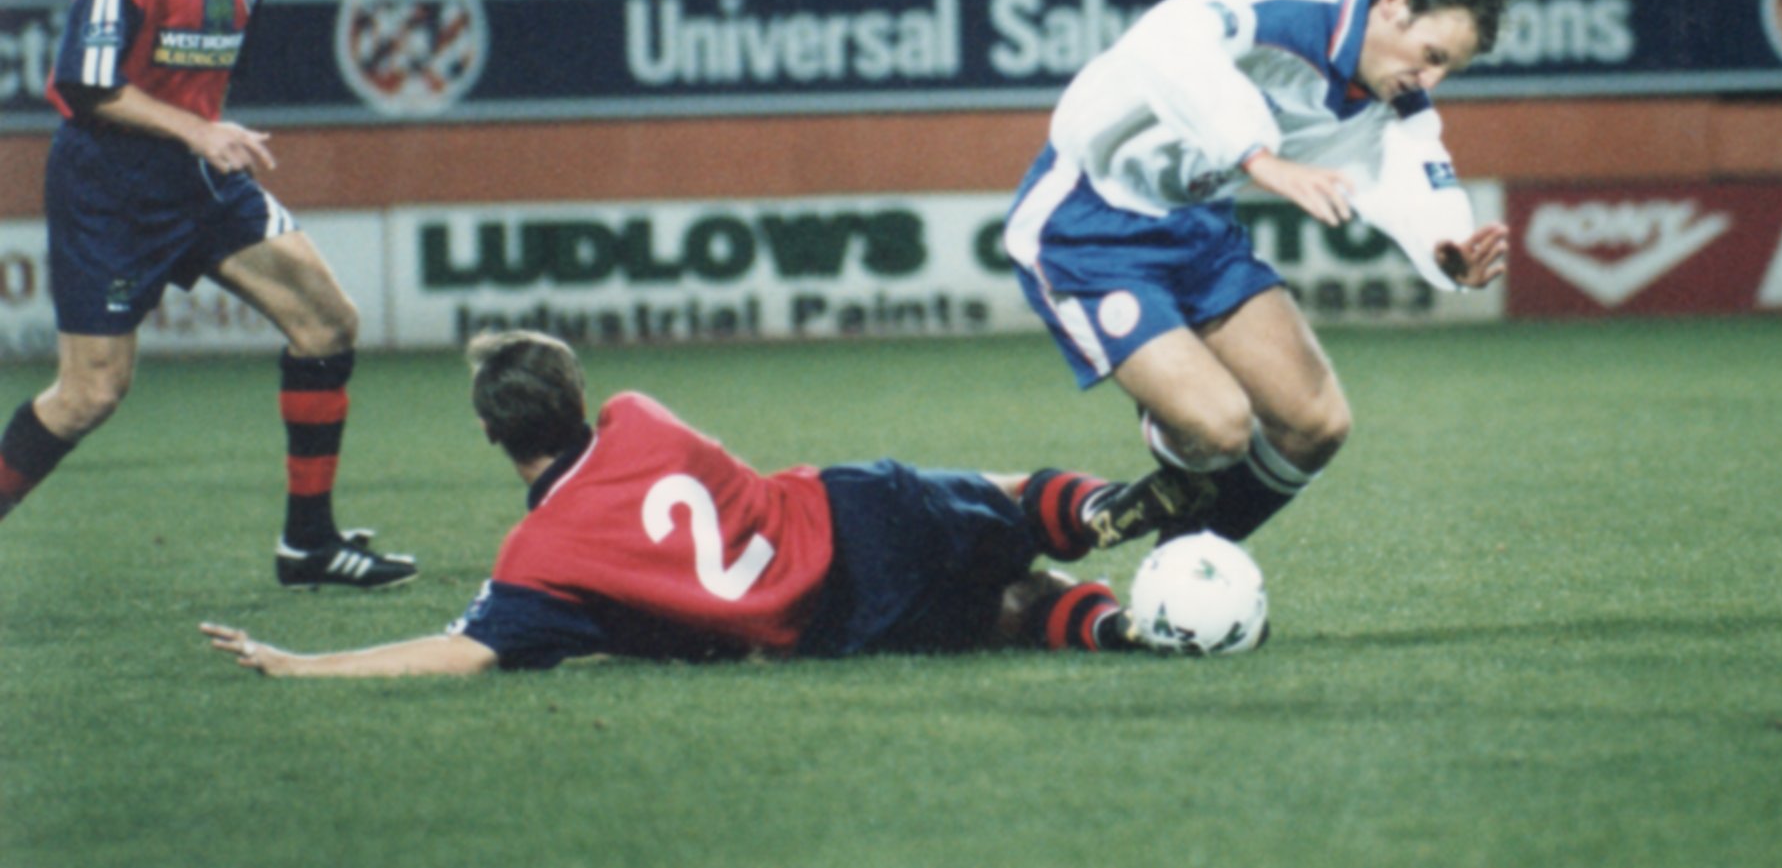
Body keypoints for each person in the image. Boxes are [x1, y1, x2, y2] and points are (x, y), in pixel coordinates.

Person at [0, 0, 415, 587]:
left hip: (197, 178)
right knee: (90, 393)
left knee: (328, 321)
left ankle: (308, 543)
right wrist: (197, 128)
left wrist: (201, 137)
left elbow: (195, 76)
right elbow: (85, 84)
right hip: (109, 187)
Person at [200, 331, 1157, 675]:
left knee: (1012, 613)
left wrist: (306, 665)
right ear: (578, 398)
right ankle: (1118, 501)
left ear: (494, 438)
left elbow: (461, 652)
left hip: (829, 621)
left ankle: (1111, 629)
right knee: (1014, 500)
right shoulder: (638, 415)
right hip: (854, 511)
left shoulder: (537, 559)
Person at [1002, 0, 1512, 553]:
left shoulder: (1394, 106)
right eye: (1430, 55)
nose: (1428, 80)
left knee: (1316, 424)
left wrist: (1446, 249)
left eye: (1446, 71)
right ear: (1394, 1)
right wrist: (1256, 155)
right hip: (1087, 223)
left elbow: (1421, 172)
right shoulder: (1276, 3)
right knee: (1218, 430)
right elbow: (1169, 42)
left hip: (1198, 227)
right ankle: (1163, 459)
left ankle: (1187, 566)